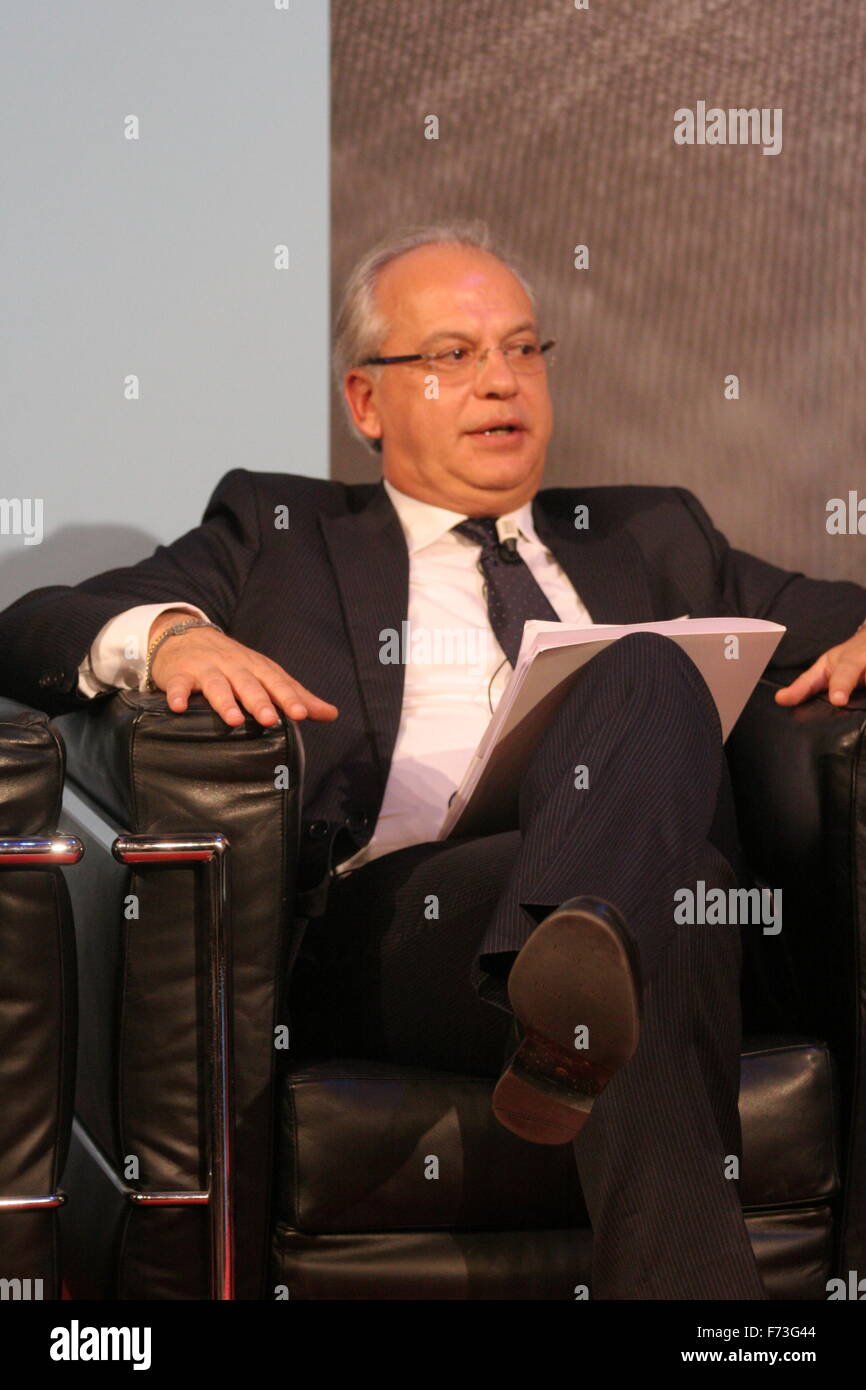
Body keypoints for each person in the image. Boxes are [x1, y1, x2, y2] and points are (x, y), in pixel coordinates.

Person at [2, 221, 865, 1300]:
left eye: (521, 349)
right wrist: (172, 635)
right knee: (665, 891)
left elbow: (833, 618)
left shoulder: (650, 536)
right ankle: (570, 954)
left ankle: (573, 988)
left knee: (657, 774)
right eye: (450, 355)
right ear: (365, 401)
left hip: (654, 915)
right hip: (409, 927)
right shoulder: (280, 532)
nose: (499, 381)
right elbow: (34, 621)